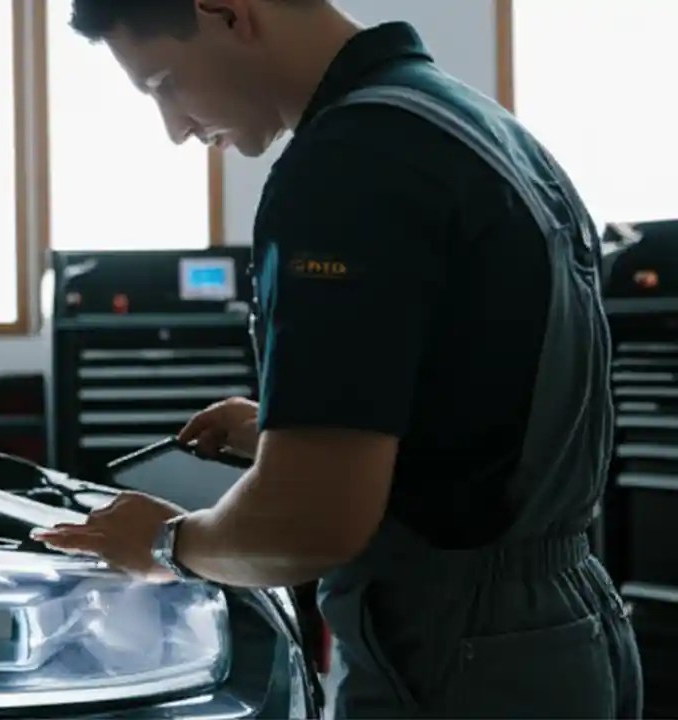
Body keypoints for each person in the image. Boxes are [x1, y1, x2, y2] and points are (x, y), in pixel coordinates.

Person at [32, 0, 644, 716]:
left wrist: (165, 545)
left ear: (226, 12)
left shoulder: (345, 168)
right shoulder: (470, 123)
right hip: (565, 628)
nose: (176, 128)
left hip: (458, 655)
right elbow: (493, 407)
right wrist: (293, 433)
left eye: (164, 83)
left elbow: (307, 526)